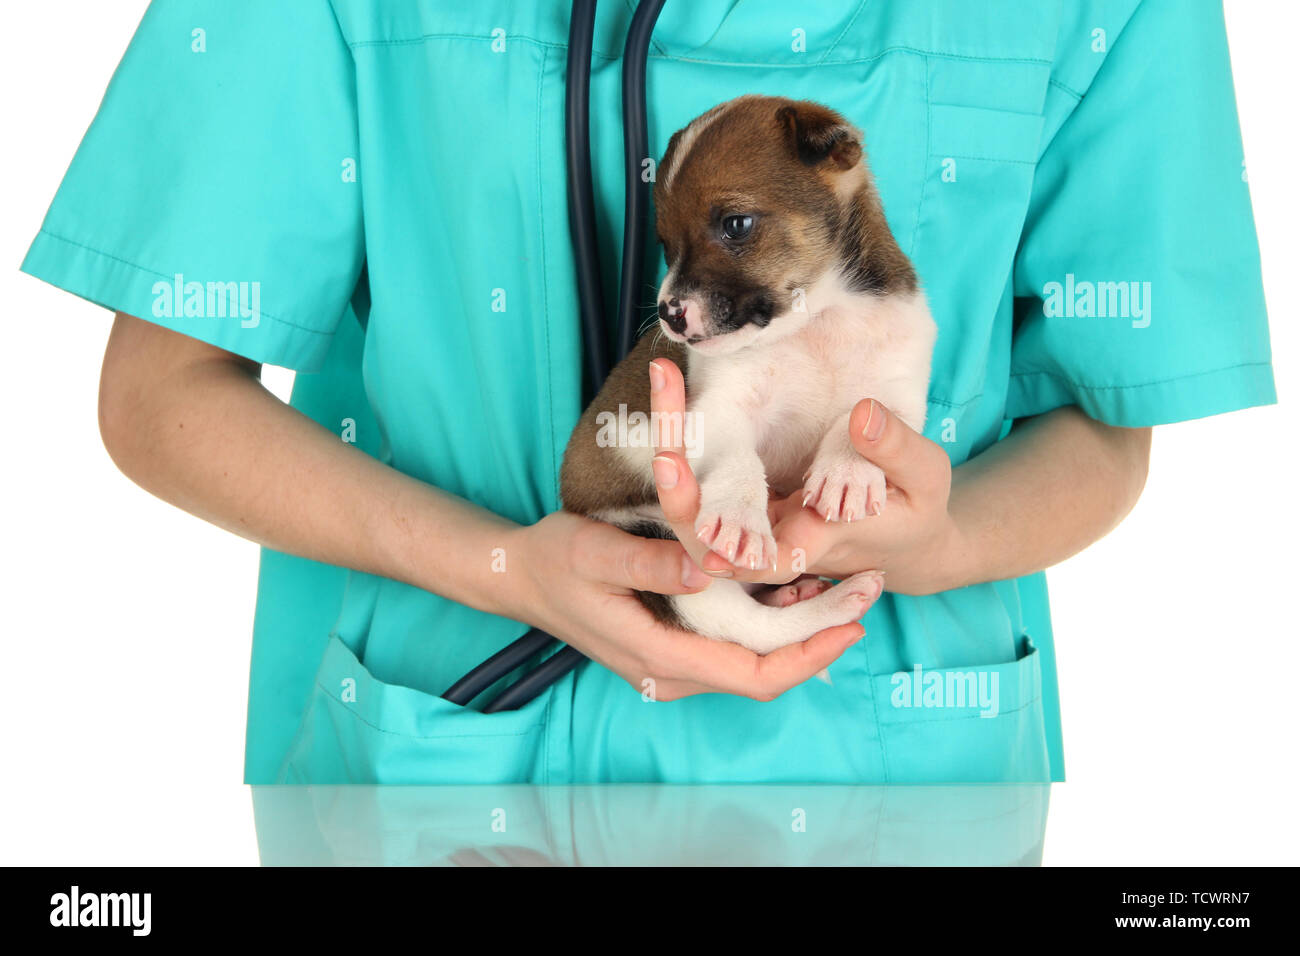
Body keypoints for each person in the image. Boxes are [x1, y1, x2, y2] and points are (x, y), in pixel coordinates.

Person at [22, 0, 1274, 784]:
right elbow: (162, 391)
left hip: (904, 781)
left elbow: (1105, 421)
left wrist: (943, 538)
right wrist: (507, 567)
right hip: (433, 767)